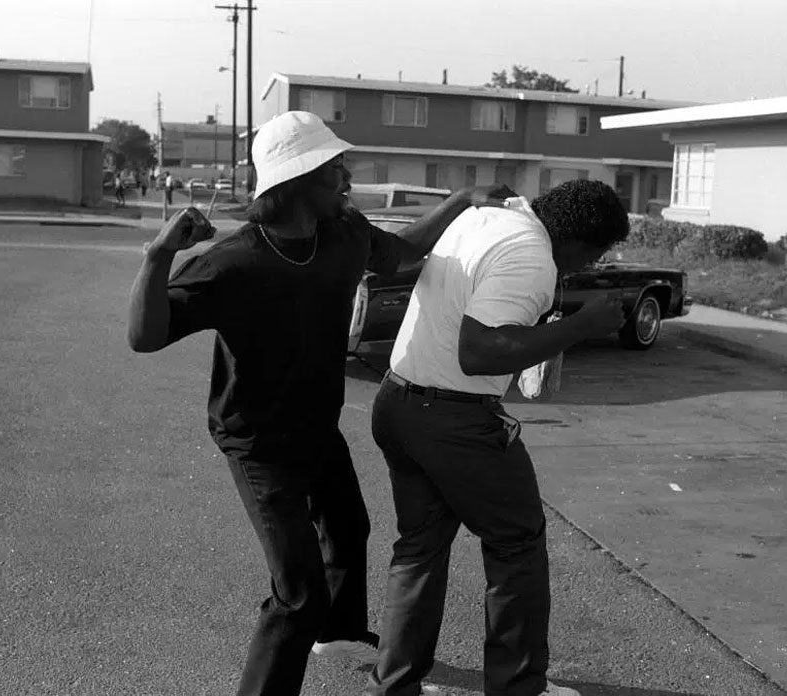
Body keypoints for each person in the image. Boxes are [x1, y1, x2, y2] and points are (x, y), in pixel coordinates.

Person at [126, 110, 511, 696]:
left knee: (348, 526)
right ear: (299, 182)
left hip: (317, 427)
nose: (348, 182)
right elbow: (144, 337)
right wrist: (157, 258)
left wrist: (461, 200)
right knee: (298, 592)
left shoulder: (345, 235)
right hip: (258, 443)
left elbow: (403, 251)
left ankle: (337, 634)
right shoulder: (233, 263)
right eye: (337, 173)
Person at [365, 180, 631, 696]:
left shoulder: (483, 218)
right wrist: (582, 325)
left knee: (420, 548)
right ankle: (516, 687)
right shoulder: (534, 257)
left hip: (397, 401)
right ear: (577, 238)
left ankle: (393, 684)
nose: (589, 266)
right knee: (517, 544)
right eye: (595, 254)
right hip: (454, 420)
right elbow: (480, 352)